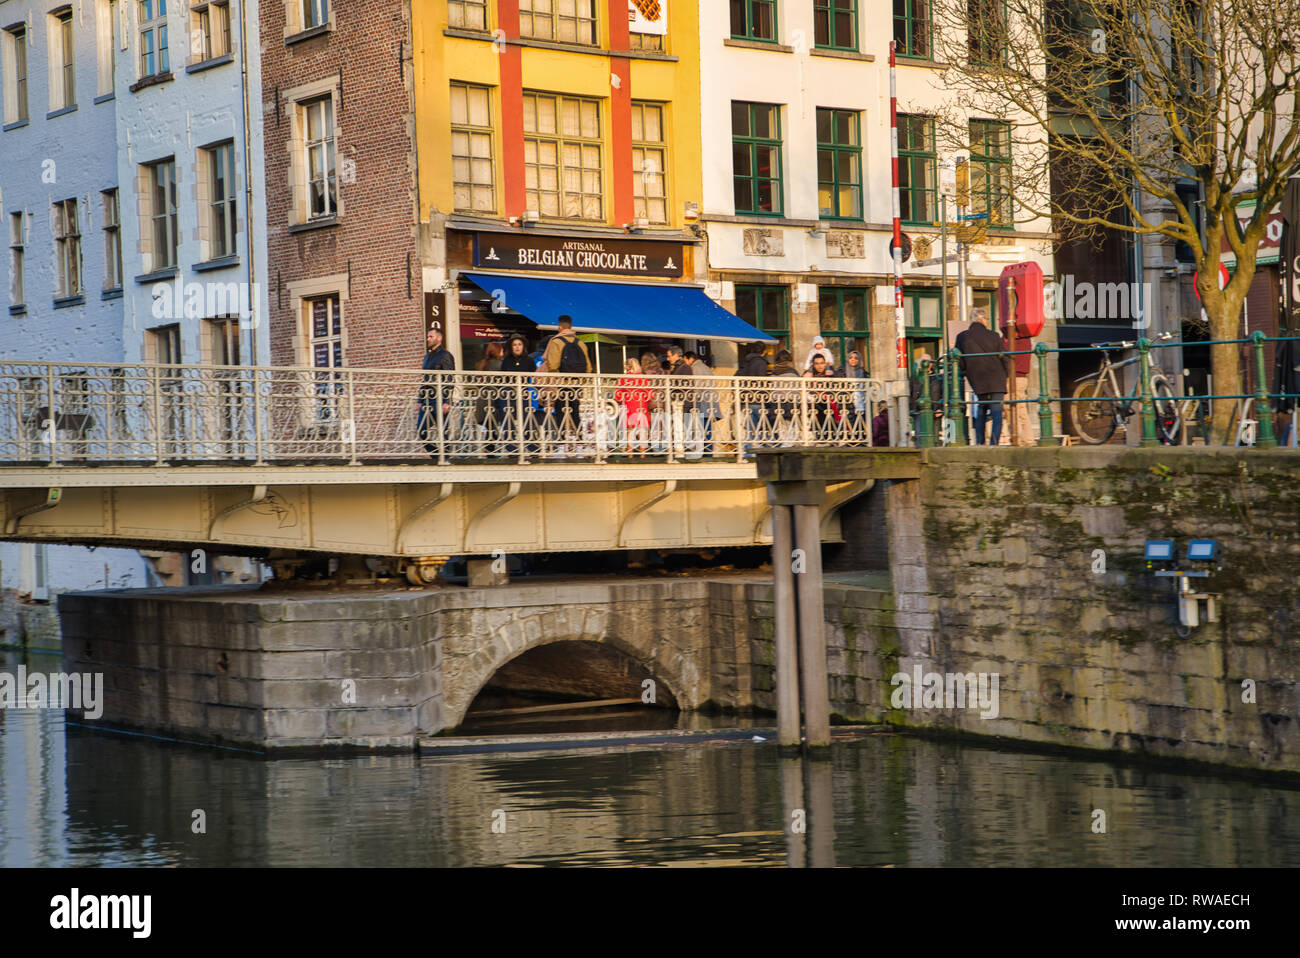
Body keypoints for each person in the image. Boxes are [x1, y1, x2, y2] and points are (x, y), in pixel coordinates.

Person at [954, 308, 1012, 445]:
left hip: (977, 380)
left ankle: (980, 442)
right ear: (983, 320)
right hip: (996, 379)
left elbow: (960, 361)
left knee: (982, 409)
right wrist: (1006, 375)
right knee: (996, 412)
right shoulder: (994, 336)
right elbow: (1004, 358)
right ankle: (993, 443)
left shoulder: (962, 337)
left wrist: (966, 369)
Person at [541, 315, 590, 454]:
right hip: (576, 383)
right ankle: (580, 443)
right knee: (575, 412)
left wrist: (553, 381)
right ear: (571, 326)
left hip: (562, 383)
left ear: (560, 327)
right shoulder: (580, 342)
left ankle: (562, 444)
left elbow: (554, 364)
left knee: (561, 412)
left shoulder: (556, 341)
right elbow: (588, 368)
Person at [419, 326, 455, 456]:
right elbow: (424, 379)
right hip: (427, 399)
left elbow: (449, 379)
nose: (428, 339)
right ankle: (437, 456)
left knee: (443, 431)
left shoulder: (445, 355)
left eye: (431, 336)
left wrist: (446, 401)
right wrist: (420, 400)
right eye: (428, 336)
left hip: (440, 399)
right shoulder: (427, 357)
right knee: (422, 430)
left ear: (439, 338)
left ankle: (446, 457)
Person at [500, 334, 533, 453]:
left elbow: (533, 378)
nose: (517, 347)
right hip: (509, 395)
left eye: (519, 344)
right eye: (514, 345)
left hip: (524, 395)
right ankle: (511, 449)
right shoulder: (506, 360)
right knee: (508, 422)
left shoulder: (529, 360)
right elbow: (503, 378)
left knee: (527, 421)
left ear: (523, 346)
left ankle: (532, 448)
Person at [615, 357, 652, 456]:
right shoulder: (643, 378)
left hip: (629, 406)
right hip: (641, 406)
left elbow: (617, 395)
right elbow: (650, 395)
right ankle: (642, 454)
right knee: (642, 429)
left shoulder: (623, 378)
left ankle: (630, 454)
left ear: (627, 367)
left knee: (630, 430)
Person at [845, 349, 868, 435]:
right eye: (851, 357)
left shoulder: (863, 373)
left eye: (856, 358)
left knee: (860, 428)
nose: (853, 359)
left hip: (861, 404)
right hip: (847, 404)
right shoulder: (843, 371)